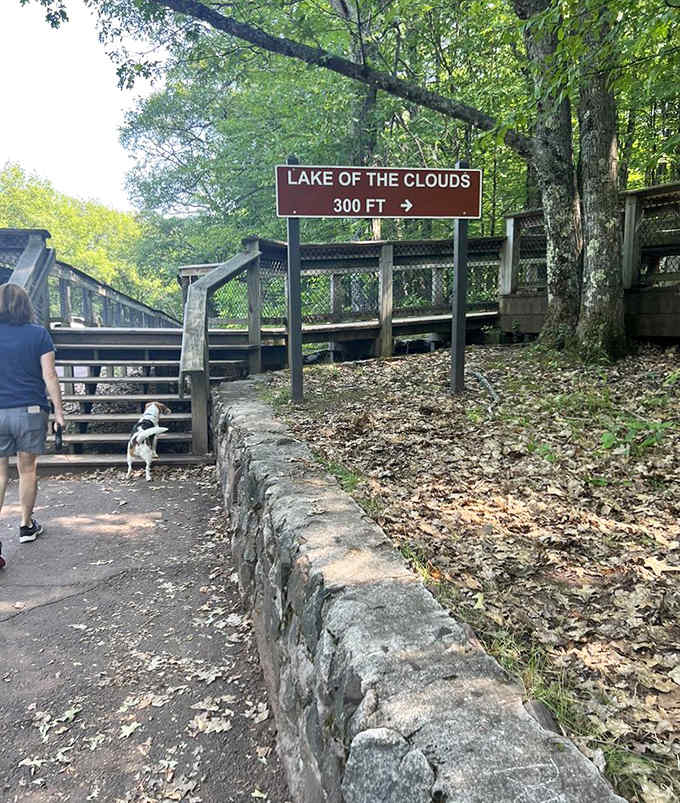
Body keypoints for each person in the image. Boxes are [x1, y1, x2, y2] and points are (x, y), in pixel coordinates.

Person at [0, 283, 64, 568]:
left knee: (0, 473)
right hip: (30, 411)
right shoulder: (38, 334)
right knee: (27, 470)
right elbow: (50, 375)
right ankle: (26, 526)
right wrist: (59, 412)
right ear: (25, 305)